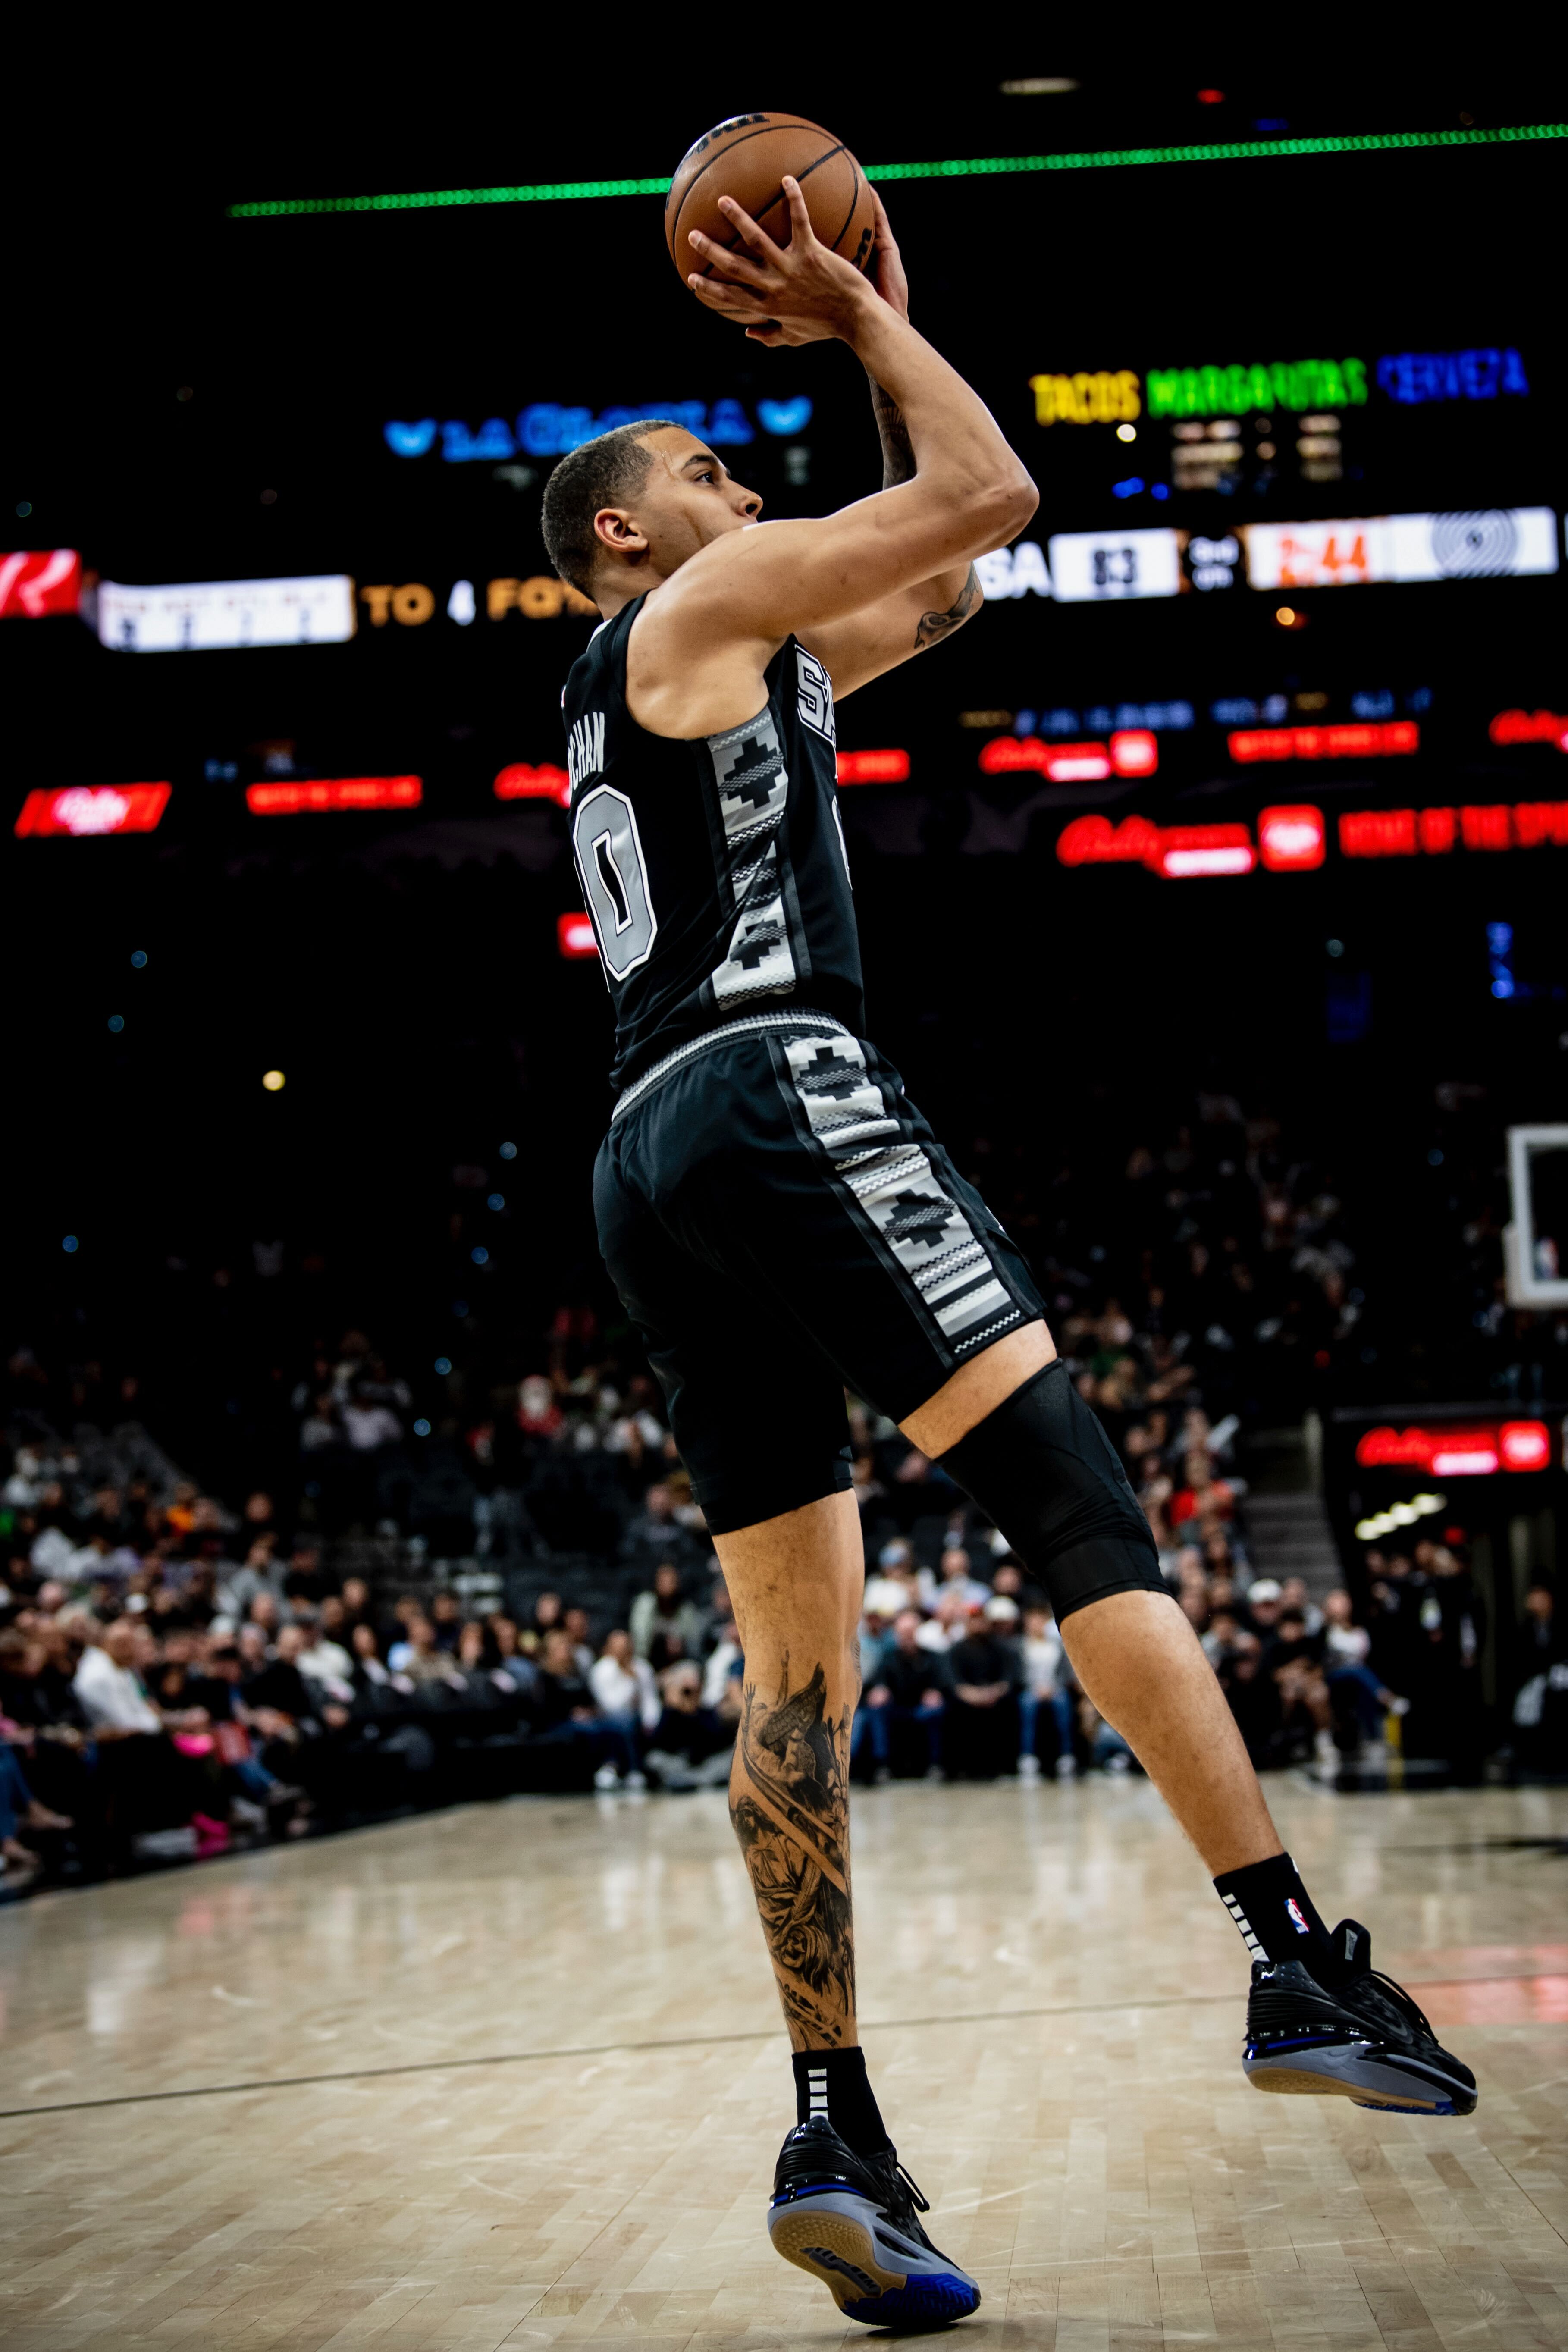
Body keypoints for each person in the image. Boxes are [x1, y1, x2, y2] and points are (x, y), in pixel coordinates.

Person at [541, 176, 1474, 2328]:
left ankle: (833, 2120)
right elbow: (998, 478)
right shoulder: (708, 602)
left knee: (798, 1680)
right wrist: (868, 312)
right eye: (699, 470)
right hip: (775, 1080)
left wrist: (890, 404)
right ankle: (1294, 1964)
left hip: (639, 1151)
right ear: (621, 533)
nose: (741, 473)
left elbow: (952, 570)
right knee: (1076, 1499)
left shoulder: (699, 663)